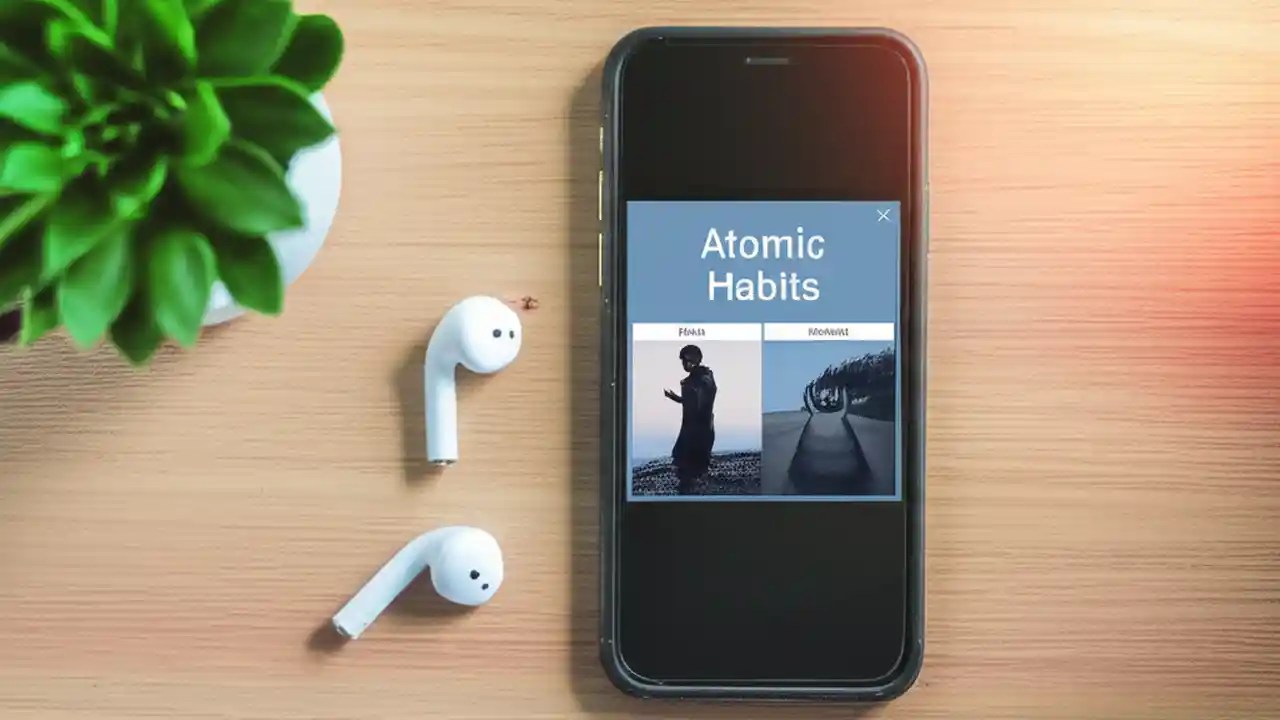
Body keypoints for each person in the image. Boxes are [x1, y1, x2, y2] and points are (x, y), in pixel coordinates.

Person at [663, 344, 717, 493]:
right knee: (695, 470)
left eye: (684, 361)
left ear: (691, 361)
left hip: (695, 432)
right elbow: (692, 401)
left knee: (689, 470)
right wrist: (675, 397)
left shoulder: (696, 381)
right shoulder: (706, 378)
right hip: (702, 429)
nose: (683, 365)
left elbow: (696, 403)